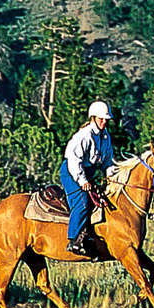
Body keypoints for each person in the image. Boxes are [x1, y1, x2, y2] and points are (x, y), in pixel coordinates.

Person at [61, 100, 115, 256]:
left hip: (88, 172)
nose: (104, 122)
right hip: (72, 172)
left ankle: (90, 236)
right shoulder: (85, 135)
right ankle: (74, 240)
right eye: (101, 119)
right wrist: (82, 180)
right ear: (93, 118)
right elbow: (73, 160)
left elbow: (108, 161)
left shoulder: (105, 137)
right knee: (83, 201)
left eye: (106, 119)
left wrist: (111, 178)